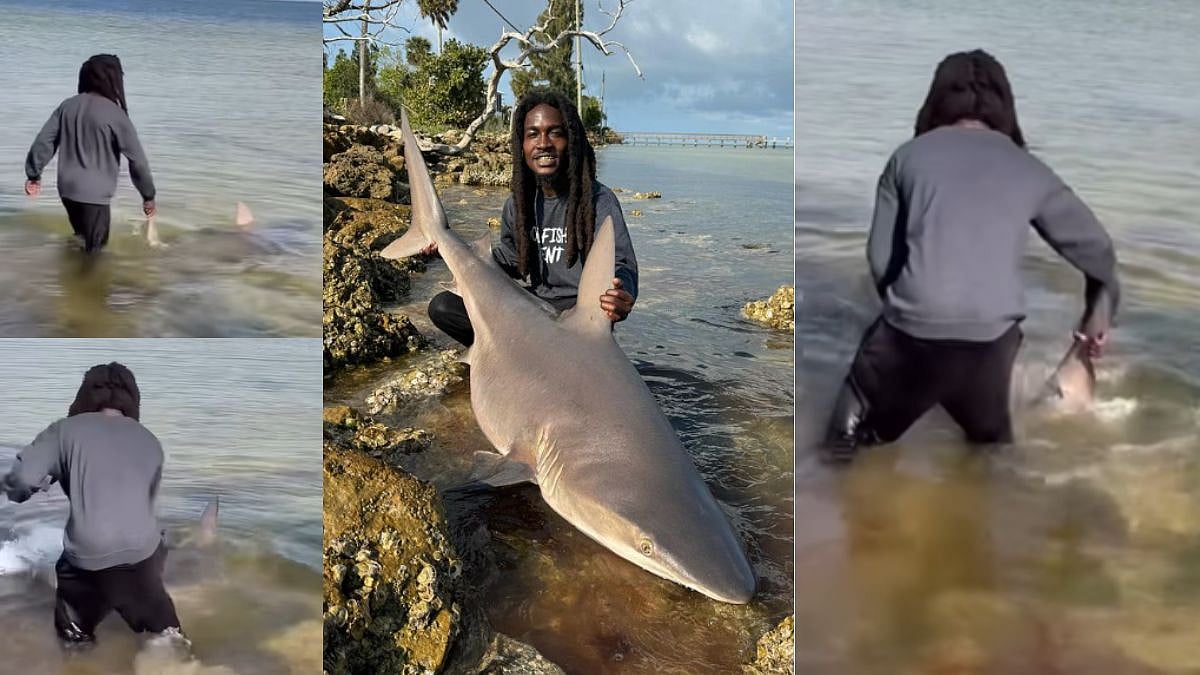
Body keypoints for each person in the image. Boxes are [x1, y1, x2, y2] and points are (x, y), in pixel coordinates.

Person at [822, 49, 1120, 463]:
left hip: (909, 340)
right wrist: (1097, 317)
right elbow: (1100, 254)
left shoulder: (906, 159)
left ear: (935, 102)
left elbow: (880, 260)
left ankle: (826, 509)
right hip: (992, 345)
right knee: (991, 455)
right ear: (1006, 108)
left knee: (843, 443)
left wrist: (913, 314)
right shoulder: (1029, 168)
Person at [425, 89, 639, 346]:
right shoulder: (519, 203)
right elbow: (512, 259)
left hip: (580, 315)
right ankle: (508, 358)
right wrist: (452, 253)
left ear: (571, 140)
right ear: (522, 145)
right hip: (532, 307)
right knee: (444, 307)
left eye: (555, 133)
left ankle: (529, 353)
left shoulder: (598, 200)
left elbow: (622, 264)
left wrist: (622, 292)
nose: (544, 143)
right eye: (533, 134)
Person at [2, 363, 184, 650]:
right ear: (133, 400)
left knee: (75, 638)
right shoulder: (151, 441)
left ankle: (79, 644)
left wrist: (20, 489)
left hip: (87, 562)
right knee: (172, 644)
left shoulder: (64, 431)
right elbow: (144, 503)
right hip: (143, 559)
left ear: (84, 395)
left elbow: (21, 480)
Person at [24, 54, 157, 253]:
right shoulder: (116, 115)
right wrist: (148, 195)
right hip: (95, 197)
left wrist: (34, 174)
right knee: (95, 255)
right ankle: (84, 282)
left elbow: (44, 142)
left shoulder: (67, 106)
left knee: (81, 239)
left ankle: (61, 278)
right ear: (114, 81)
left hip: (67, 192)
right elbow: (137, 162)